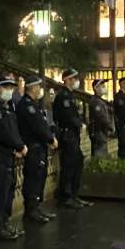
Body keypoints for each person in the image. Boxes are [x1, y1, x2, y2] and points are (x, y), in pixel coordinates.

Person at [0, 75, 27, 241]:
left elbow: (14, 131)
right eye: (6, 87)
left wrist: (18, 146)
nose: (9, 91)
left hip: (8, 156)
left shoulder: (8, 109)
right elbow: (4, 134)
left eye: (11, 88)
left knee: (8, 190)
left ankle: (5, 221)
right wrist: (20, 146)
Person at [16, 76, 57, 224]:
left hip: (39, 147)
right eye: (38, 87)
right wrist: (51, 139)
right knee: (33, 178)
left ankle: (36, 207)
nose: (40, 90)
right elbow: (38, 126)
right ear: (33, 88)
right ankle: (31, 210)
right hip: (33, 147)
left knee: (40, 177)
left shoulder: (34, 104)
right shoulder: (27, 106)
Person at [53, 69, 89, 208]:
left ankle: (74, 194)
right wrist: (79, 123)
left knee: (77, 162)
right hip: (67, 135)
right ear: (67, 80)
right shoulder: (63, 96)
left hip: (73, 134)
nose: (76, 81)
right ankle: (66, 196)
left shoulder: (70, 96)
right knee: (68, 165)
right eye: (74, 79)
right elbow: (67, 116)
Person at [88, 78, 115, 158]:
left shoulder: (100, 101)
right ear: (95, 88)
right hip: (98, 133)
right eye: (102, 86)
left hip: (102, 133)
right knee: (99, 158)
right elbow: (102, 118)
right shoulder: (96, 102)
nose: (104, 88)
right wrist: (110, 127)